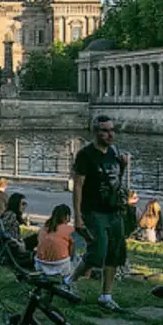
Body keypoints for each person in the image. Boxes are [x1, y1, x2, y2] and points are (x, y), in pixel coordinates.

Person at [67, 115, 129, 312]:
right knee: (97, 252)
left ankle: (106, 295)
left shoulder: (114, 151)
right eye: (105, 131)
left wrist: (124, 166)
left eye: (112, 130)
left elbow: (114, 179)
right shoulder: (85, 155)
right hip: (93, 210)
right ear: (96, 132)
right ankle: (69, 280)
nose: (110, 134)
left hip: (114, 210)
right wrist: (78, 216)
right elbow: (78, 186)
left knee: (115, 252)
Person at [35, 204, 76, 279]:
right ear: (67, 216)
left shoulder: (43, 228)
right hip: (60, 265)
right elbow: (72, 250)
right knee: (74, 246)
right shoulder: (69, 229)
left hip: (40, 264)